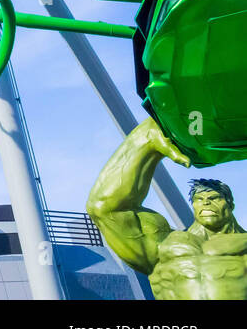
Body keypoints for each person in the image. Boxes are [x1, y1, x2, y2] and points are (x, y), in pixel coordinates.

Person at [86, 117, 247, 299]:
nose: (206, 202)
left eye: (214, 198)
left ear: (230, 203)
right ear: (193, 205)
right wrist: (145, 138)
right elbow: (104, 208)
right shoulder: (165, 245)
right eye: (199, 199)